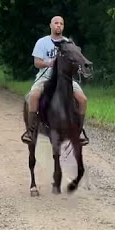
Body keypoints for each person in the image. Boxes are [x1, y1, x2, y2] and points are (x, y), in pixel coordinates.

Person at [22, 15, 88, 145]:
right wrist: (49, 63)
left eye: (61, 23)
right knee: (33, 96)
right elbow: (37, 62)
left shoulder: (69, 44)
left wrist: (77, 67)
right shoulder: (42, 42)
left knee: (82, 99)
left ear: (63, 26)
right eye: (56, 23)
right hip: (46, 76)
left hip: (65, 79)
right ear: (51, 25)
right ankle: (31, 131)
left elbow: (75, 60)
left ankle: (79, 131)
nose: (59, 25)